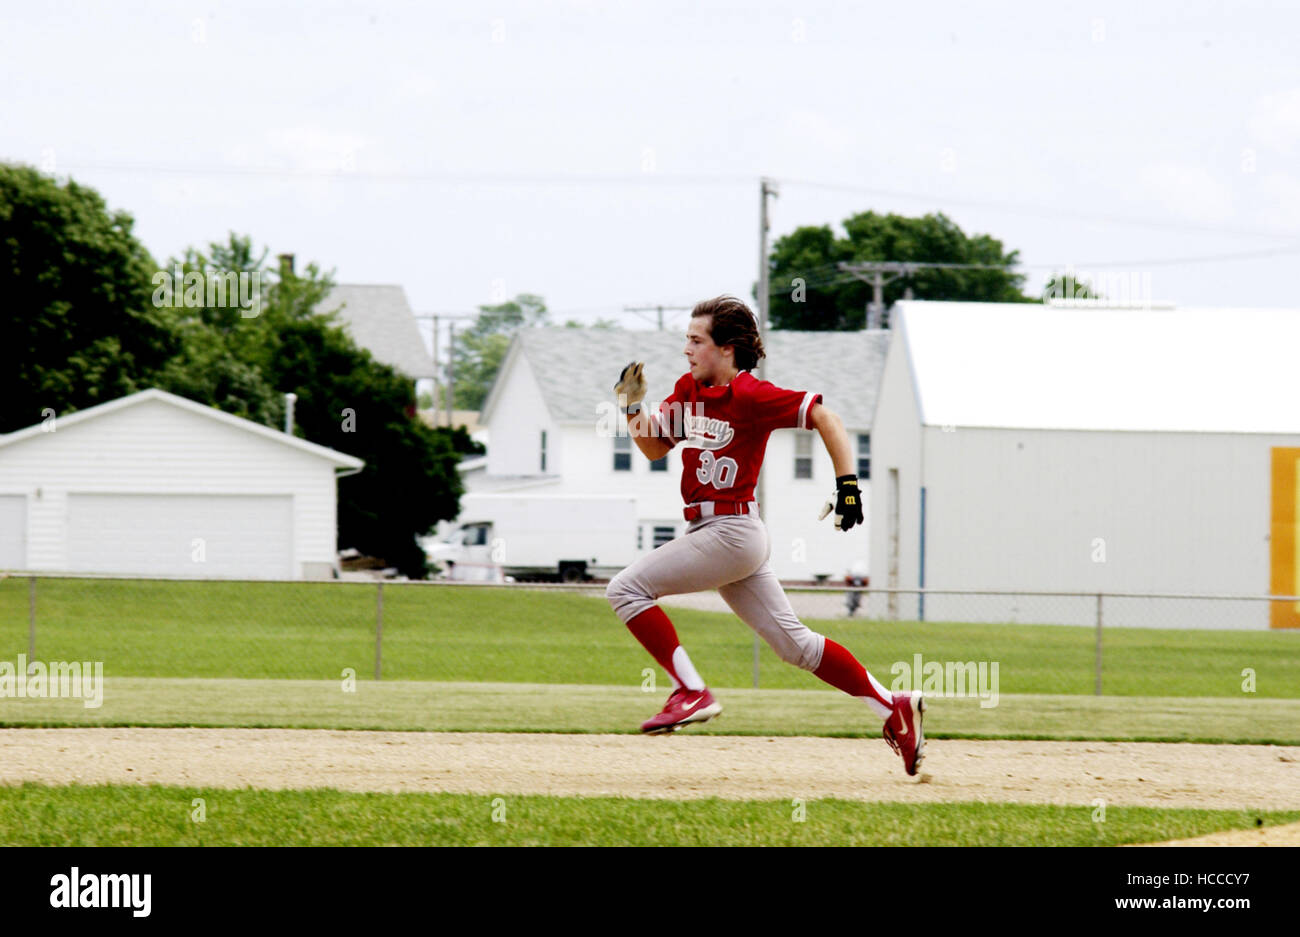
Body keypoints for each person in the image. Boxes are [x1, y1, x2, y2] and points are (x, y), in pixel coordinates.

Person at [605, 296, 926, 776]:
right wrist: (630, 404)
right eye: (686, 340)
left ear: (728, 349)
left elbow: (827, 418)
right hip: (720, 534)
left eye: (696, 341)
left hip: (731, 531)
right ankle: (891, 708)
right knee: (795, 646)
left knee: (625, 588)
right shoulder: (689, 392)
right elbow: (652, 446)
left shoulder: (751, 395)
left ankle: (692, 691)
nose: (687, 349)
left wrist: (848, 486)